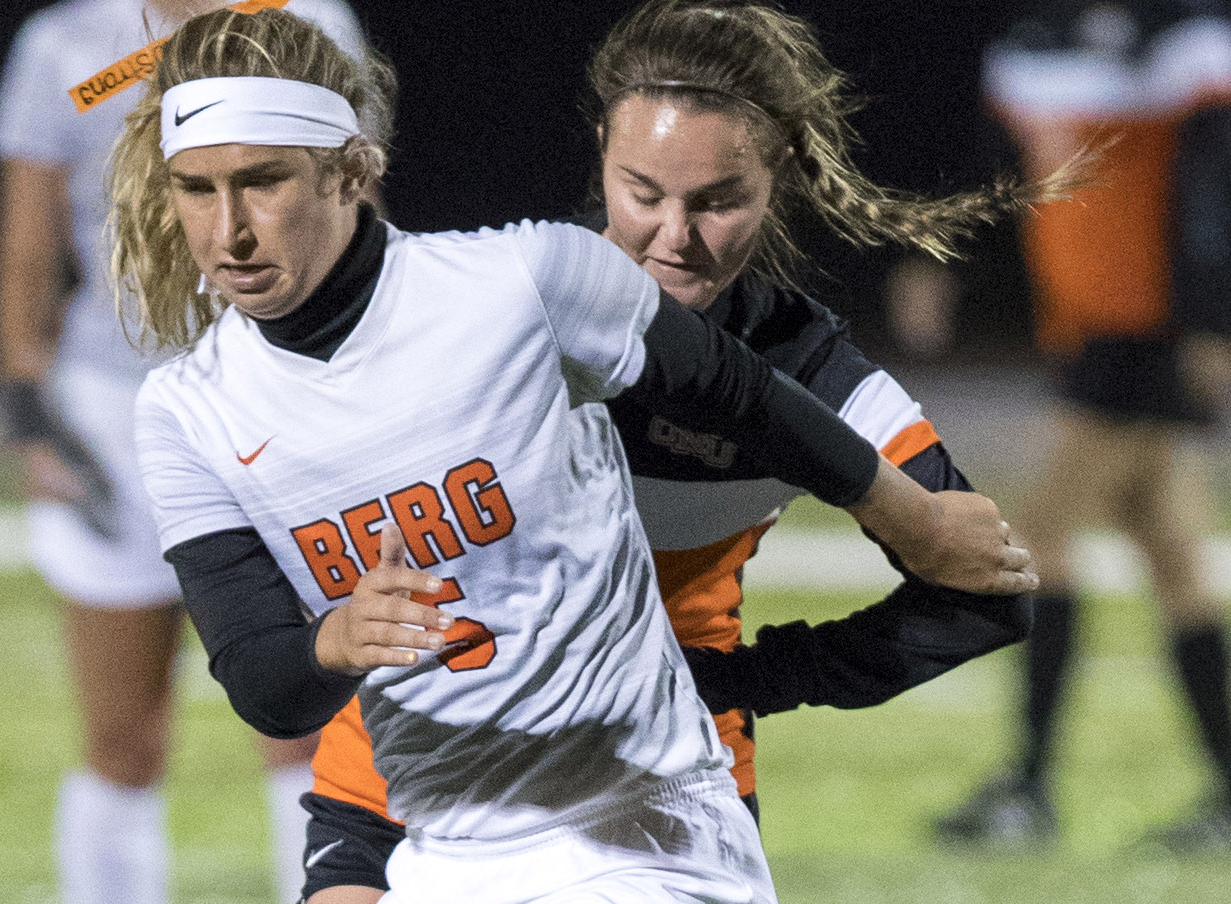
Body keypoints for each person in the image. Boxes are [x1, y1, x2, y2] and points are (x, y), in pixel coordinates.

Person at [111, 8, 1037, 902]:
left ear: (778, 175)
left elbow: (979, 590)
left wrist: (743, 677)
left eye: (715, 202)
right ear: (599, 152)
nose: (672, 237)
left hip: (641, 786)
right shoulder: (520, 294)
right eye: (642, 193)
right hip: (412, 788)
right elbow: (266, 659)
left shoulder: (815, 384)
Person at [0, 2, 370, 900]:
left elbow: (354, 208)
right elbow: (27, 244)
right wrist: (25, 409)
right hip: (112, 412)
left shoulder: (308, 21)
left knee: (307, 728)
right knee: (124, 738)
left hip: (270, 401)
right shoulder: (68, 46)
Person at [933, 0, 1231, 853]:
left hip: (1150, 333)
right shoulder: (1033, 42)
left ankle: (1027, 793)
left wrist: (1211, 317)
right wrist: (937, 254)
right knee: (1175, 562)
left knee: (1037, 538)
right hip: (1090, 328)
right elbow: (999, 169)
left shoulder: (1185, 37)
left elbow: (1214, 183)